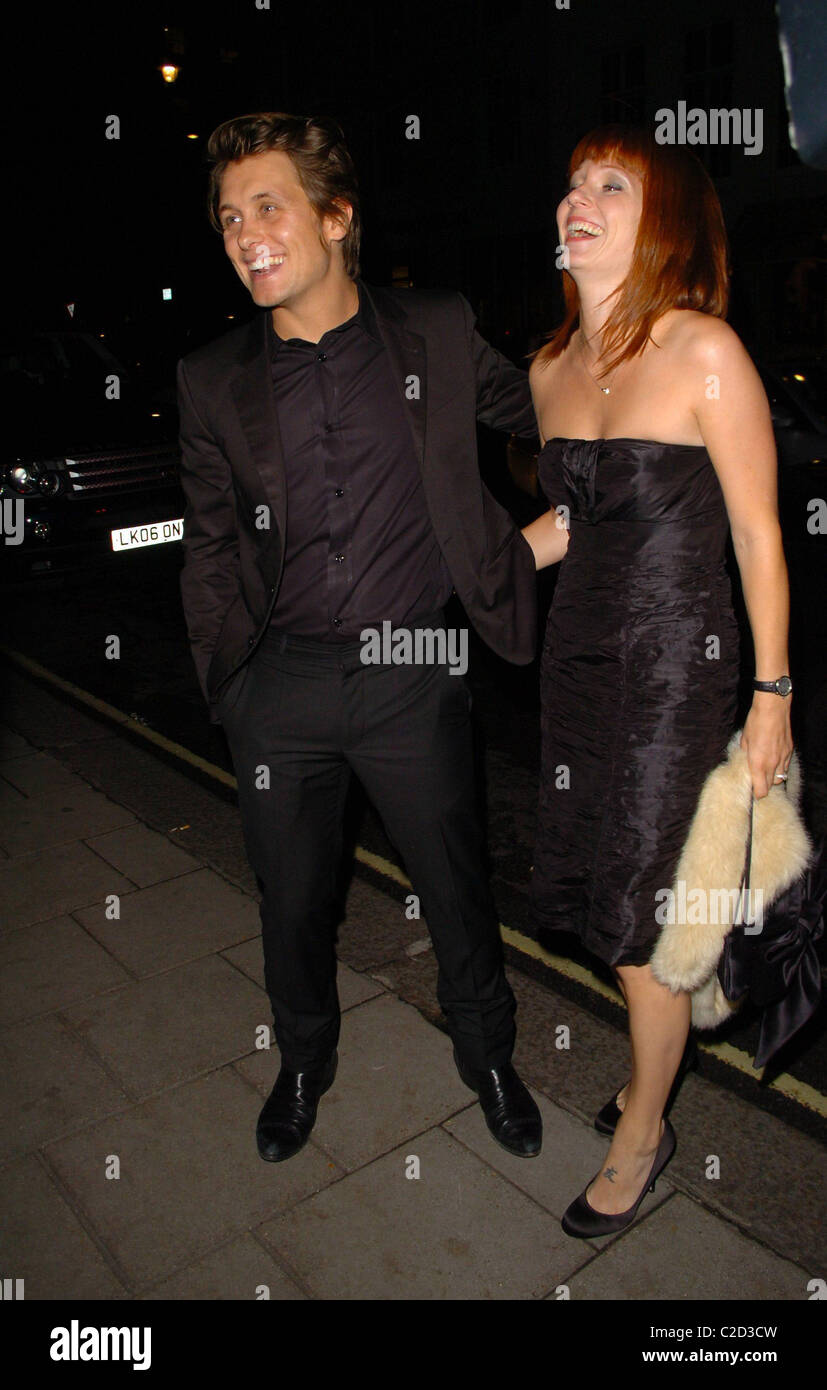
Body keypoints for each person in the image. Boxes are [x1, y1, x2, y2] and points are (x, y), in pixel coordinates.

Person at [177, 111, 543, 1164]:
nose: (243, 232)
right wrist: (225, 685)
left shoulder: (429, 328)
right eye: (228, 216)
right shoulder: (211, 380)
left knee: (453, 881)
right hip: (277, 685)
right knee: (290, 900)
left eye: (267, 206)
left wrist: (558, 519)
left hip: (409, 668)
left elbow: (540, 412)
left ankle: (486, 1057)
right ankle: (300, 1062)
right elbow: (206, 545)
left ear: (335, 217)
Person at [521, 126, 793, 1237]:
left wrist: (770, 695)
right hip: (576, 667)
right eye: (570, 181)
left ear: (663, 218)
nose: (573, 200)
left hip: (678, 672)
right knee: (597, 894)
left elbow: (756, 531)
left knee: (644, 925)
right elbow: (569, 525)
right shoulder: (547, 366)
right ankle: (646, 1085)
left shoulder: (702, 350)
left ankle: (643, 1134)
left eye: (609, 184)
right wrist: (454, 572)